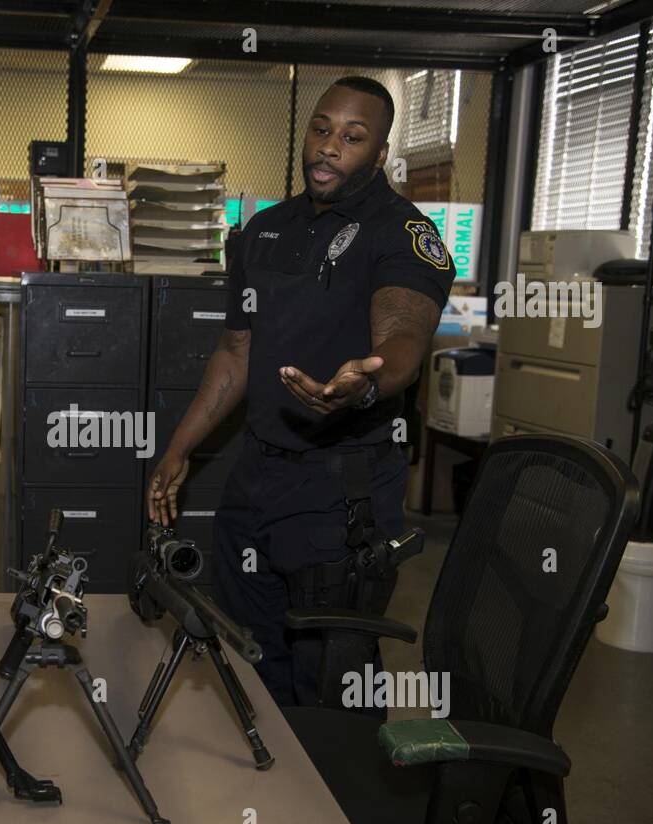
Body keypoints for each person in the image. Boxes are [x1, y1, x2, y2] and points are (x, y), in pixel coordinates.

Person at [146, 76, 456, 708]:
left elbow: (403, 336)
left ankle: (334, 800)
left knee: (331, 675)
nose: (329, 146)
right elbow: (236, 354)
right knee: (248, 653)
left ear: (380, 150)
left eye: (352, 136)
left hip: (342, 491)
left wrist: (365, 384)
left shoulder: (401, 233)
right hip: (256, 477)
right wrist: (179, 449)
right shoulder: (263, 230)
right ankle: (265, 793)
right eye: (321, 129)